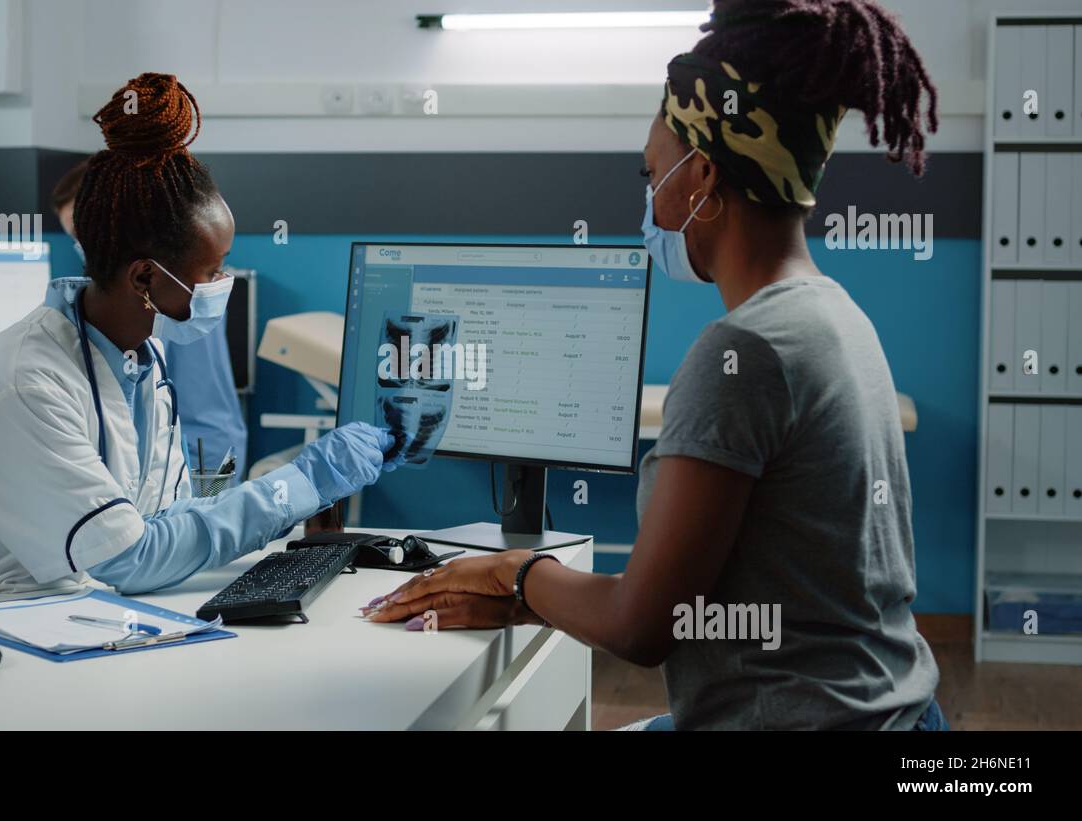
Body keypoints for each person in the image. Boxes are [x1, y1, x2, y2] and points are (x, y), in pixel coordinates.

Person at [366, 0, 948, 731]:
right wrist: (528, 596)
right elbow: (688, 594)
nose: (648, 197)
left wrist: (511, 570)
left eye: (652, 173)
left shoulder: (743, 352)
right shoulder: (836, 317)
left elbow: (642, 628)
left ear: (701, 174)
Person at [0, 73, 399, 633]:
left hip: (52, 620)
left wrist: (295, 499)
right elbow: (130, 557)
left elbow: (165, 519)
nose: (223, 283)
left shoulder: (141, 359)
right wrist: (301, 483)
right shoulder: (27, 384)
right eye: (212, 271)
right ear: (145, 278)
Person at [52, 158, 249, 483]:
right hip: (194, 455)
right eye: (76, 235)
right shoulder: (161, 292)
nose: (84, 243)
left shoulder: (173, 300)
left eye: (84, 229)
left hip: (202, 459)